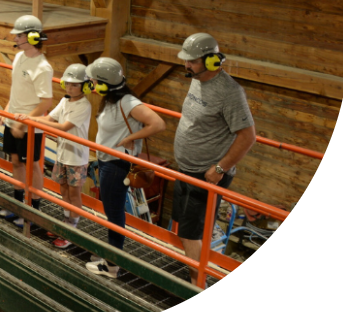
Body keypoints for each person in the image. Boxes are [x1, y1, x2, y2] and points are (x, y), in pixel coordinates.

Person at [173, 33, 255, 280]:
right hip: (186, 169)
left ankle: (197, 285)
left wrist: (219, 169)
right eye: (186, 60)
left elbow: (247, 136)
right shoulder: (197, 79)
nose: (186, 65)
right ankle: (195, 272)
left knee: (190, 234)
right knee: (185, 228)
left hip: (206, 175)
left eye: (192, 61)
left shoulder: (230, 93)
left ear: (212, 61)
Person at [84, 57, 165, 278]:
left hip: (116, 165)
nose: (92, 84)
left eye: (94, 81)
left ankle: (111, 265)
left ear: (104, 83)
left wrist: (131, 138)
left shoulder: (127, 102)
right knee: (111, 211)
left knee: (114, 214)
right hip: (107, 161)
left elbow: (158, 123)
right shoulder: (111, 100)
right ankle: (111, 254)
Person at [0, 15, 53, 228]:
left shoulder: (42, 67)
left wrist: (24, 122)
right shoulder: (19, 57)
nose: (16, 39)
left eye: (19, 36)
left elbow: (46, 101)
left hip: (29, 126)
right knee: (15, 161)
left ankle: (33, 211)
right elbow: (17, 89)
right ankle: (17, 204)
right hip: (13, 120)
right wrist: (7, 109)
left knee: (33, 165)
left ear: (32, 37)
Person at [31, 63, 92, 248]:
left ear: (85, 86)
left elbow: (64, 127)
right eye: (68, 84)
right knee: (64, 191)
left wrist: (33, 119)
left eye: (75, 85)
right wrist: (28, 117)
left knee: (74, 193)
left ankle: (71, 231)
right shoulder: (65, 101)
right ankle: (66, 224)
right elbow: (50, 119)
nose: (70, 88)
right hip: (63, 154)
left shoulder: (84, 105)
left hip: (76, 157)